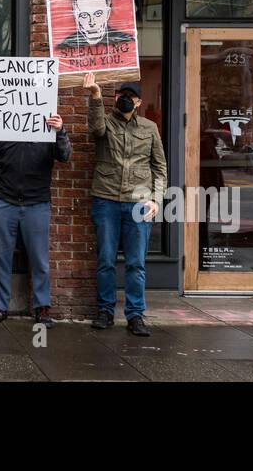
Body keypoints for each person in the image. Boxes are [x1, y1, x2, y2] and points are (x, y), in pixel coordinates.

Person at [85, 74, 166, 336]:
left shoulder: (149, 128)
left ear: (139, 102)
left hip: (139, 204)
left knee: (135, 263)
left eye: (130, 97)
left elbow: (159, 167)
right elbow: (95, 129)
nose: (125, 100)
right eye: (121, 96)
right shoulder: (106, 122)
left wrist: (157, 199)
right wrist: (96, 96)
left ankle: (135, 315)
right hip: (106, 200)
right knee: (106, 260)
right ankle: (105, 311)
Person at [0, 112, 71, 325]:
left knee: (39, 260)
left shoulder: (48, 130)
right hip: (4, 203)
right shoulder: (4, 130)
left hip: (37, 204)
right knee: (2, 259)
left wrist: (60, 131)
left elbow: (64, 156)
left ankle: (42, 308)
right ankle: (0, 306)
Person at [57, 0, 134, 51]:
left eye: (98, 14)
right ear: (75, 16)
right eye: (84, 15)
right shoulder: (66, 46)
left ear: (108, 14)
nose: (92, 22)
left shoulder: (125, 41)